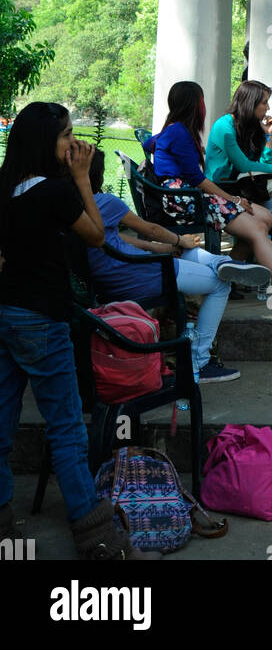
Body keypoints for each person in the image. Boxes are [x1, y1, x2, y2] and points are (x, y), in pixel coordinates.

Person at [0, 103, 156, 559]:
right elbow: (94, 236)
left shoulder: (6, 187)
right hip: (43, 321)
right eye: (66, 135)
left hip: (6, 315)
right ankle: (99, 540)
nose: (74, 143)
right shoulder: (56, 192)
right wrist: (84, 178)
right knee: (67, 429)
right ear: (46, 142)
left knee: (2, 426)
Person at [86, 150, 270, 382]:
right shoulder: (104, 202)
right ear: (98, 177)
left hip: (128, 270)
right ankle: (199, 363)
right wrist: (176, 240)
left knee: (190, 252)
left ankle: (223, 262)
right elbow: (150, 229)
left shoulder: (74, 209)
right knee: (219, 284)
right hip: (138, 275)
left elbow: (118, 239)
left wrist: (160, 248)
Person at [145, 82, 272, 309]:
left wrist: (162, 148)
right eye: (201, 100)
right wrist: (232, 200)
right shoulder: (181, 132)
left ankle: (228, 278)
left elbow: (150, 142)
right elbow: (199, 179)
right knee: (258, 226)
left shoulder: (175, 130)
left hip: (189, 196)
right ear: (195, 104)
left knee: (265, 218)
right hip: (186, 200)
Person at [206, 81, 272, 282]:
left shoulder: (251, 127)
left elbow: (261, 165)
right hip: (222, 190)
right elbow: (243, 165)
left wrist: (268, 137)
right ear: (250, 102)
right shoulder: (224, 126)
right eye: (264, 102)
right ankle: (249, 268)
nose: (268, 108)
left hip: (244, 187)